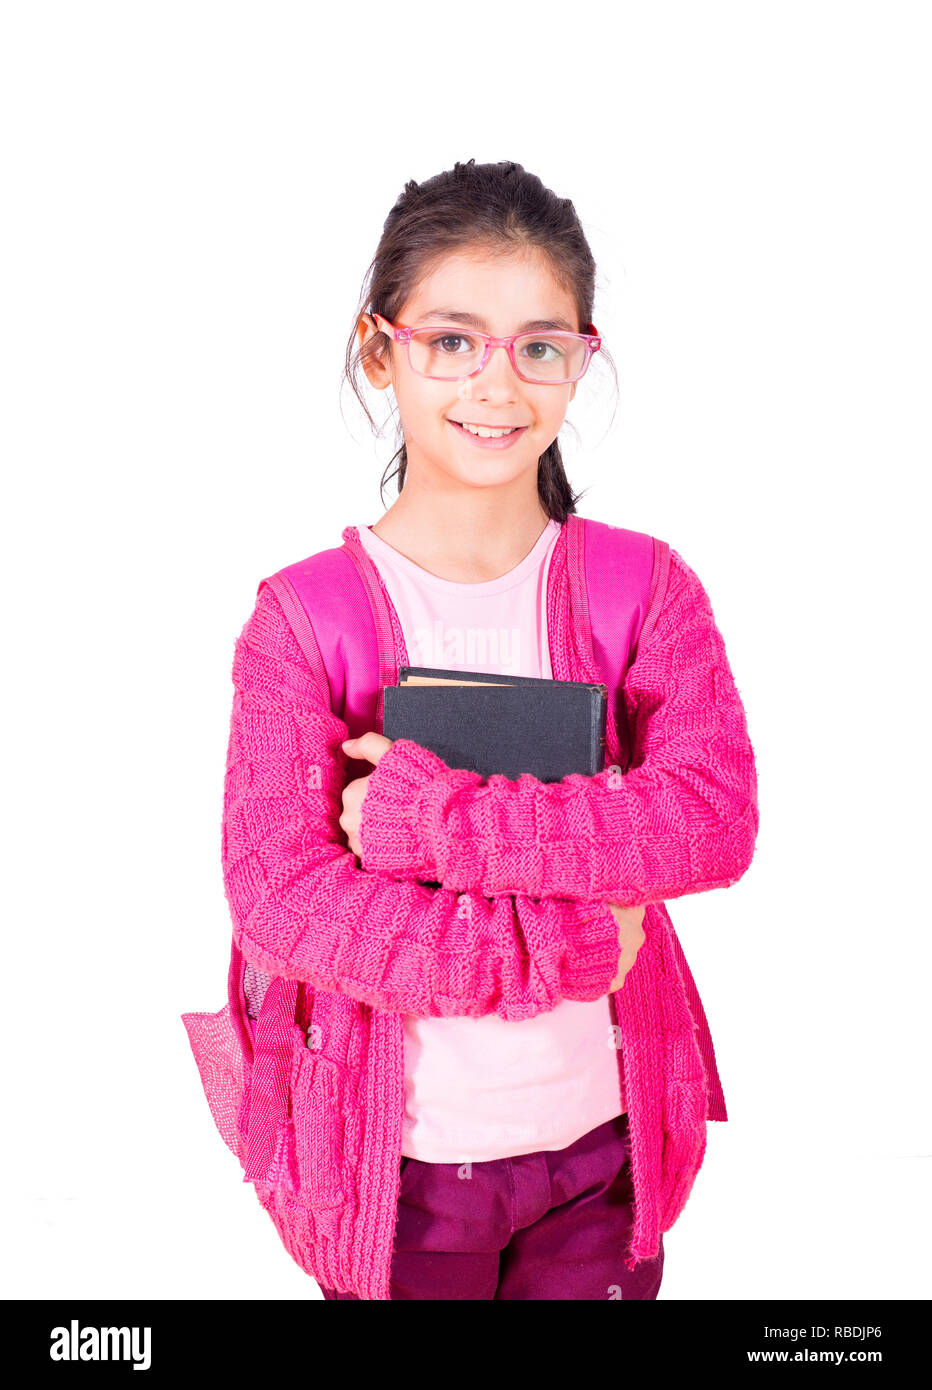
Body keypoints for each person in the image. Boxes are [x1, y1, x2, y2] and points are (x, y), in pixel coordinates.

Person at [219, 158, 759, 1300]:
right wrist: (544, 952)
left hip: (604, 1152)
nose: (495, 385)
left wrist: (438, 821)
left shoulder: (641, 589)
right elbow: (280, 895)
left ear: (579, 362)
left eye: (538, 346)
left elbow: (707, 819)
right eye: (451, 340)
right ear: (382, 350)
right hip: (399, 1173)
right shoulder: (303, 619)